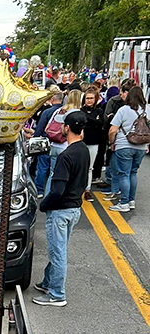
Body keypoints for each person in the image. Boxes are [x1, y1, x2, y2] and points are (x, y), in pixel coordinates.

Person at [33, 110, 89, 307]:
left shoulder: (65, 156)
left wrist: (44, 204)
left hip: (60, 211)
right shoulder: (83, 151)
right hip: (74, 209)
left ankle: (57, 294)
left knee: (57, 253)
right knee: (60, 249)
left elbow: (57, 190)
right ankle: (48, 282)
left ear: (67, 128)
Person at [107, 85, 150, 213]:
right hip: (141, 146)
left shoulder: (123, 110)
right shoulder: (147, 109)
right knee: (133, 172)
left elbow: (113, 130)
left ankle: (124, 202)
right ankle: (131, 200)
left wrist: (111, 142)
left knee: (124, 174)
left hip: (124, 145)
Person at [33, 91, 63, 195]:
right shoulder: (64, 111)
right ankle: (54, 191)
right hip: (60, 143)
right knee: (55, 170)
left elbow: (40, 128)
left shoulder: (47, 112)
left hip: (46, 142)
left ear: (52, 99)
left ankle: (39, 190)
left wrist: (35, 138)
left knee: (42, 167)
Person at [81, 88, 104, 201]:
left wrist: (88, 120)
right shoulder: (81, 111)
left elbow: (100, 124)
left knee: (90, 168)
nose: (89, 100)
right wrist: (93, 121)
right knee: (79, 167)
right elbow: (81, 123)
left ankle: (87, 190)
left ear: (95, 100)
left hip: (94, 142)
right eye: (87, 98)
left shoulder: (99, 111)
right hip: (81, 142)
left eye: (91, 98)